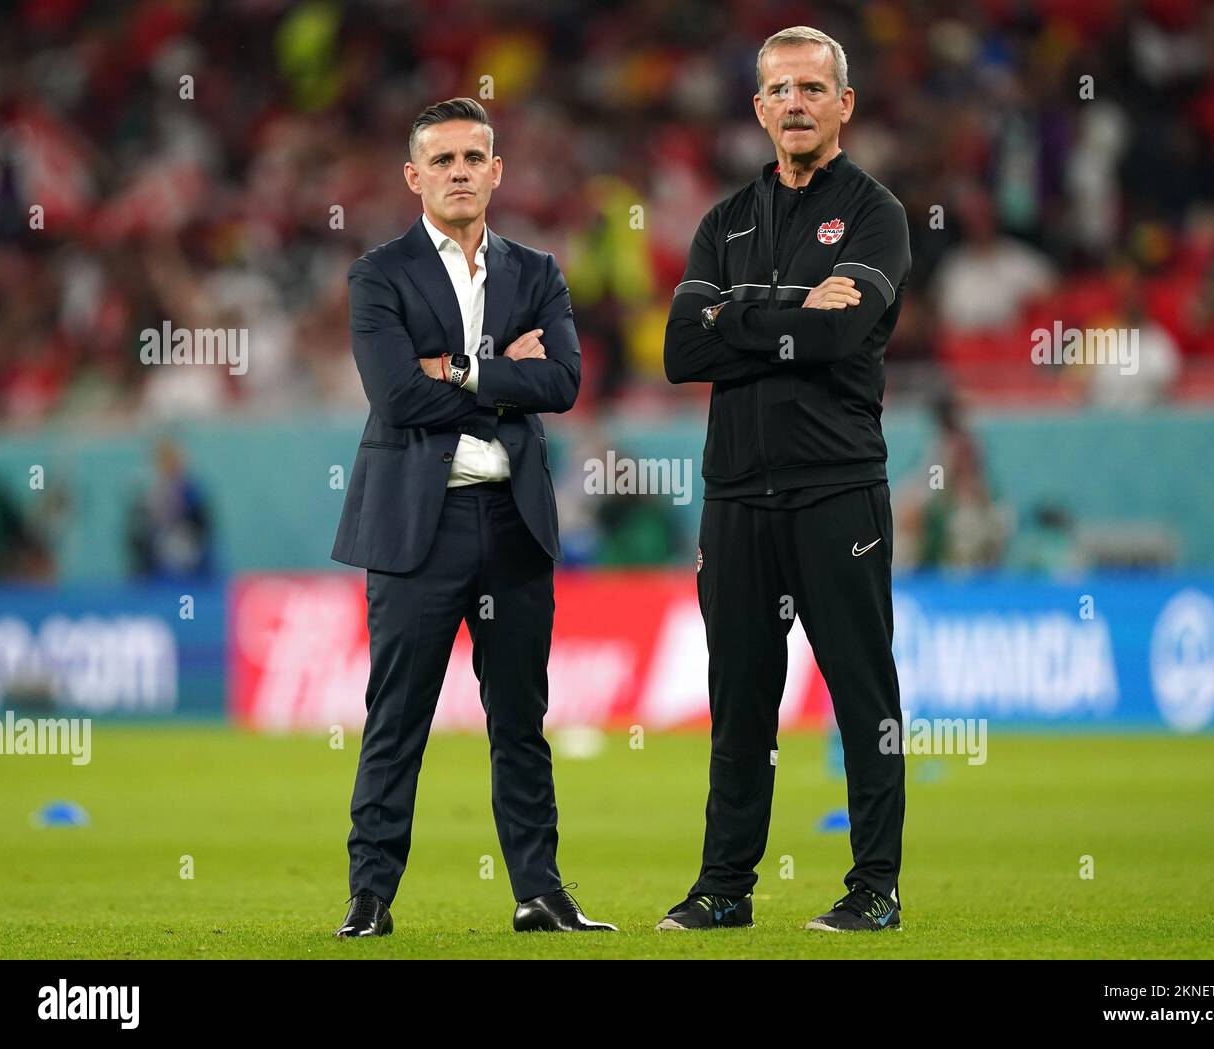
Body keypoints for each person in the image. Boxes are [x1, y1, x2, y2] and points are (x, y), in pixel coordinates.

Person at [330, 98, 613, 936]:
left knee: (520, 721)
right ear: (414, 177)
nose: (459, 172)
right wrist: (498, 375)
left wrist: (455, 368)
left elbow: (562, 382)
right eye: (442, 159)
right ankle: (370, 899)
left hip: (512, 521)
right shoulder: (377, 273)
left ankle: (540, 893)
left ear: (497, 172)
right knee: (398, 719)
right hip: (421, 526)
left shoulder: (539, 271)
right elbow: (395, 394)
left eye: (473, 157)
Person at [662, 27, 910, 933]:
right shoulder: (722, 219)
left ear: (845, 103)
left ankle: (874, 886)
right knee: (739, 701)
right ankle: (725, 887)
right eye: (779, 90)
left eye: (813, 87)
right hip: (735, 493)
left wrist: (735, 313)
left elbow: (843, 335)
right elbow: (680, 350)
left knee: (861, 693)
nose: (795, 103)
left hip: (836, 487)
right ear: (758, 107)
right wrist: (792, 309)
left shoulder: (877, 213)